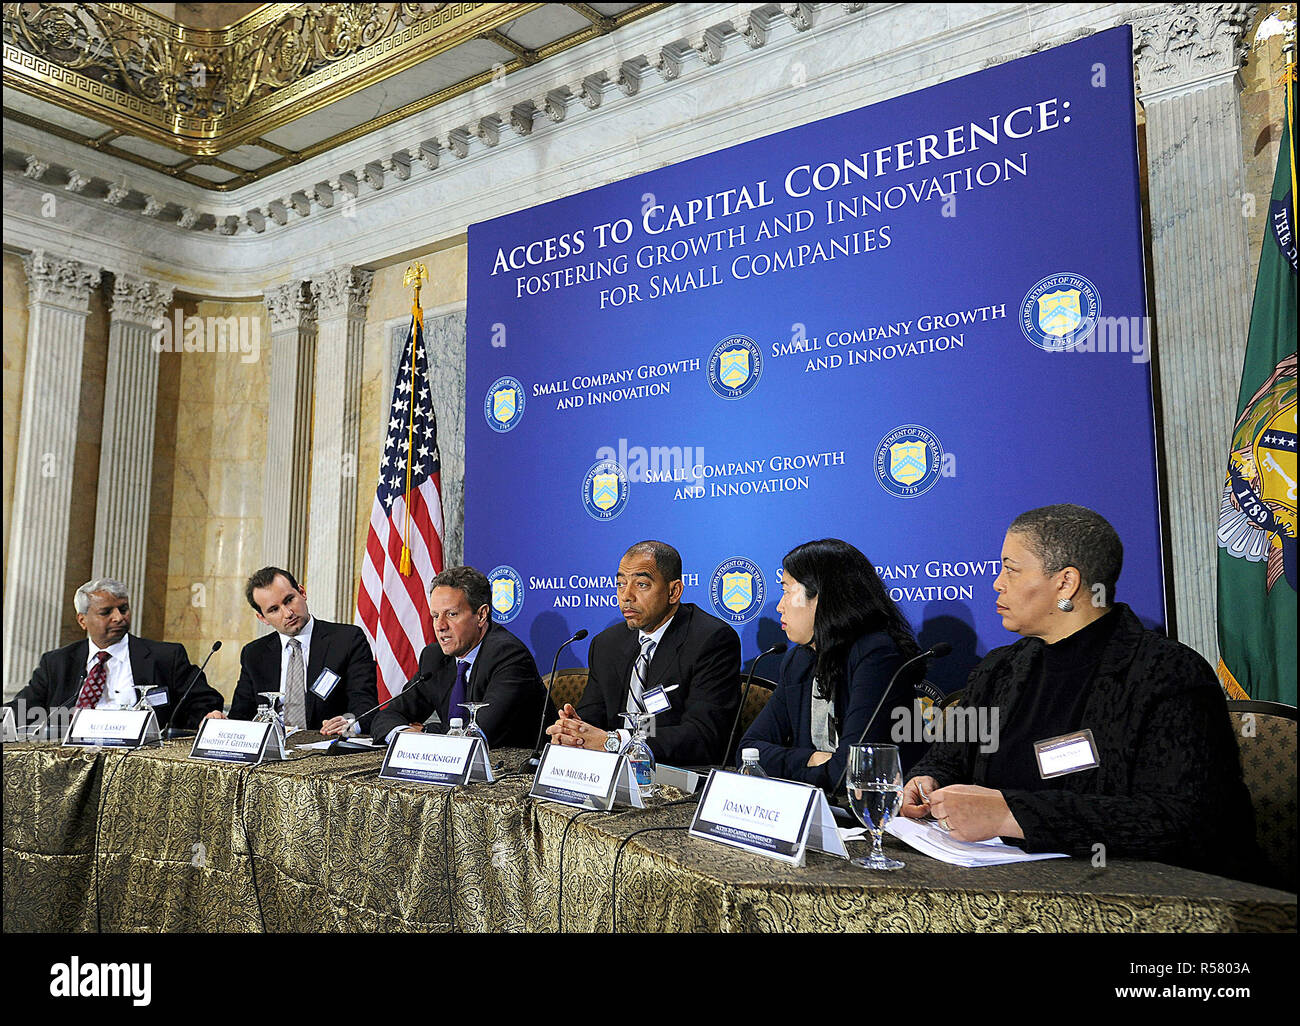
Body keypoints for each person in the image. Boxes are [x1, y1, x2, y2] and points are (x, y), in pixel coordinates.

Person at [899, 504, 1257, 878]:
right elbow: (947, 757)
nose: (997, 583)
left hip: (1131, 890)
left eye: (1011, 569)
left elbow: (1183, 819)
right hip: (1001, 878)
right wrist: (927, 781)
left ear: (1066, 583)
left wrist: (1011, 814)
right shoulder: (999, 668)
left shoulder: (1168, 673)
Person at [739, 538, 923, 793]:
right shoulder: (798, 660)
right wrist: (811, 758)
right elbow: (748, 751)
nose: (780, 607)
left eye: (786, 590)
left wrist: (795, 762)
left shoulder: (877, 656)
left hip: (881, 818)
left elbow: (850, 772)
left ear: (822, 598)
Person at [547, 540, 742, 767]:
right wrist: (576, 731)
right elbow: (593, 712)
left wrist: (617, 742)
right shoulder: (606, 644)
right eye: (620, 584)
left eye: (641, 584)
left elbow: (704, 735)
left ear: (673, 591)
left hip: (681, 773)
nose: (626, 595)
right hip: (612, 772)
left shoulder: (710, 640)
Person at [6, 577, 222, 733]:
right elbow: (24, 708)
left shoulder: (165, 656)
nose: (119, 618)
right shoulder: (58, 662)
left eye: (124, 609)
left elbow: (204, 700)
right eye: (106, 612)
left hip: (137, 762)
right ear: (82, 620)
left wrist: (206, 717)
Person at [369, 566, 553, 747]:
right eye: (435, 616)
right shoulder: (434, 657)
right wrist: (405, 733)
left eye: (451, 614)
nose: (440, 626)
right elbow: (385, 718)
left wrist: (424, 731)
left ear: (481, 615)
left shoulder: (508, 655)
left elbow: (479, 733)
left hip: (515, 769)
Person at [214, 567, 378, 737]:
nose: (288, 613)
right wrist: (221, 724)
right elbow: (242, 716)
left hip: (325, 746)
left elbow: (365, 704)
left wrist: (350, 724)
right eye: (274, 609)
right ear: (262, 618)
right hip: (272, 749)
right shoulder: (254, 653)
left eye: (289, 600)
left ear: (302, 592)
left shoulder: (347, 640)